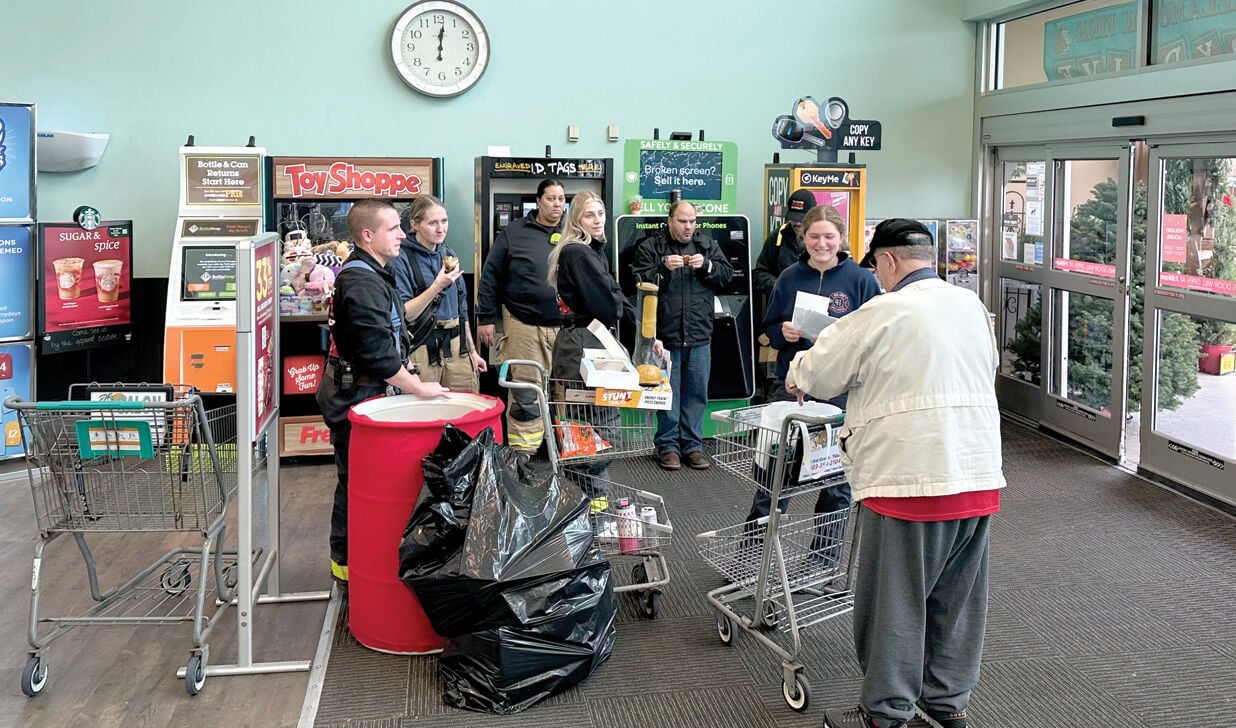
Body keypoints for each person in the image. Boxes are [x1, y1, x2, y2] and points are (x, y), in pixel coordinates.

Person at [786, 219, 1004, 728]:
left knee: (895, 606)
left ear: (886, 261)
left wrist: (797, 375)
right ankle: (947, 703)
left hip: (909, 482)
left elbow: (817, 374)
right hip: (977, 475)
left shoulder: (881, 311)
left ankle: (885, 715)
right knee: (958, 603)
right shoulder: (970, 305)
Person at [316, 199, 448, 587]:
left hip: (367, 391)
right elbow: (377, 353)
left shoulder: (377, 271)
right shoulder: (361, 282)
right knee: (356, 481)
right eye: (394, 228)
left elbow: (393, 331)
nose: (403, 235)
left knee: (361, 480)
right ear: (368, 235)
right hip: (355, 396)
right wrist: (419, 387)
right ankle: (347, 569)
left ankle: (363, 559)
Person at [745, 205, 880, 520]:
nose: (822, 244)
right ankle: (753, 558)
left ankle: (824, 559)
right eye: (814, 236)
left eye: (829, 236)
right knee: (774, 476)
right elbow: (768, 328)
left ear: (841, 238)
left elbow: (876, 338)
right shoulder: (789, 278)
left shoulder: (860, 280)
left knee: (836, 484)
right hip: (794, 387)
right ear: (802, 237)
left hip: (843, 391)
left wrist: (840, 343)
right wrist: (782, 332)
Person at [546, 190, 638, 505]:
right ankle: (587, 502)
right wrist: (615, 297)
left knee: (587, 425)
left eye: (600, 213)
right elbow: (609, 305)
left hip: (586, 341)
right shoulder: (579, 253)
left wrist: (615, 298)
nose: (597, 220)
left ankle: (587, 502)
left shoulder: (589, 251)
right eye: (589, 215)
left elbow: (615, 300)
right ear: (576, 219)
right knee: (595, 425)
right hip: (584, 344)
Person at [631, 201, 733, 471]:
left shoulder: (707, 246)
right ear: (670, 220)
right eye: (683, 221)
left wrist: (708, 266)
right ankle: (667, 446)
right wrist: (663, 269)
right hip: (664, 335)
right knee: (667, 393)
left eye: (692, 222)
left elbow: (727, 277)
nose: (688, 227)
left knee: (696, 392)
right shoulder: (651, 247)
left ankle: (693, 446)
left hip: (700, 334)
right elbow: (638, 283)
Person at [476, 179, 567, 455]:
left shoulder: (573, 232)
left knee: (566, 391)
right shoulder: (513, 233)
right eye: (551, 198)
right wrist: (485, 318)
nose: (557, 204)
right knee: (527, 391)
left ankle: (562, 450)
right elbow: (490, 276)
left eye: (561, 199)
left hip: (566, 328)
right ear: (538, 201)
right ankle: (523, 455)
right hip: (524, 324)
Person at [392, 195, 487, 392]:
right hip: (422, 347)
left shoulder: (448, 254)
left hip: (457, 347)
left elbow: (462, 309)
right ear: (415, 224)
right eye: (432, 223)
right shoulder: (401, 259)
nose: (440, 228)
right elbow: (406, 313)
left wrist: (472, 351)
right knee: (423, 413)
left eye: (444, 221)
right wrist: (437, 286)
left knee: (464, 408)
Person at [753, 189, 818, 399]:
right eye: (794, 220)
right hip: (786, 331)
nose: (797, 224)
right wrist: (782, 287)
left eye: (802, 220)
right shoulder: (778, 238)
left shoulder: (825, 244)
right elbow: (759, 273)